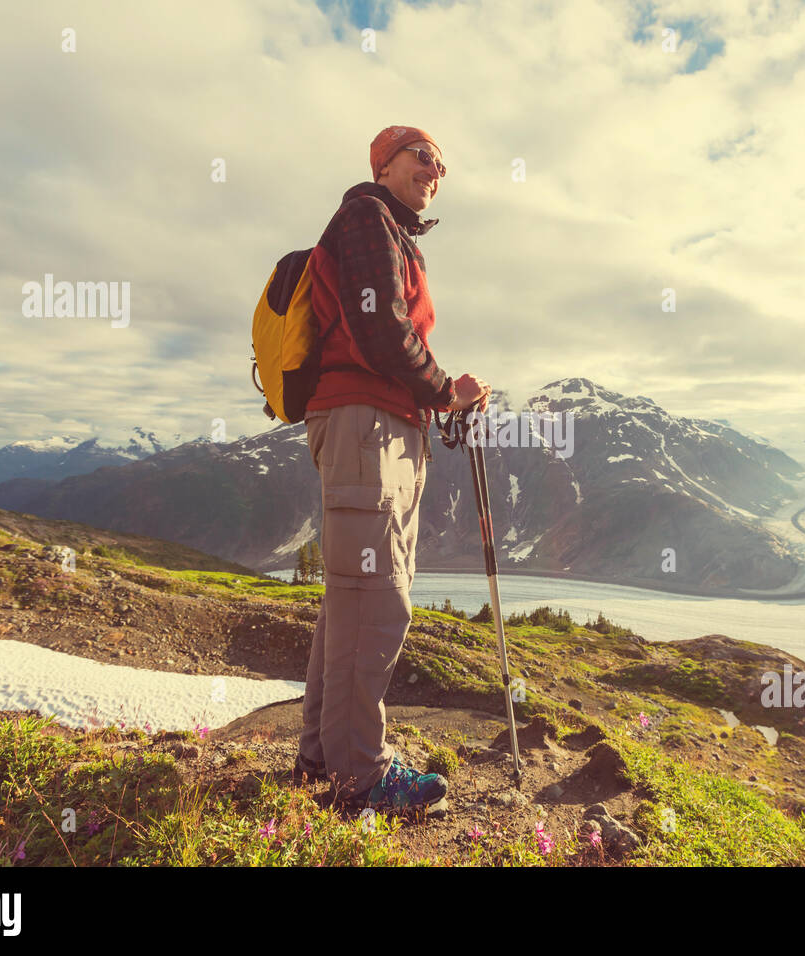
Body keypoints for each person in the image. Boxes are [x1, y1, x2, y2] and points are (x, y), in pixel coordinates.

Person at [293, 125, 490, 812]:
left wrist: (434, 395)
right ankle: (362, 778)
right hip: (366, 427)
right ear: (384, 162)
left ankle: (322, 758)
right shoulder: (366, 217)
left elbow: (388, 331)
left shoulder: (389, 234)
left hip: (382, 430)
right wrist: (445, 391)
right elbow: (381, 331)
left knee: (351, 599)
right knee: (376, 601)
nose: (434, 171)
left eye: (442, 165)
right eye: (423, 156)